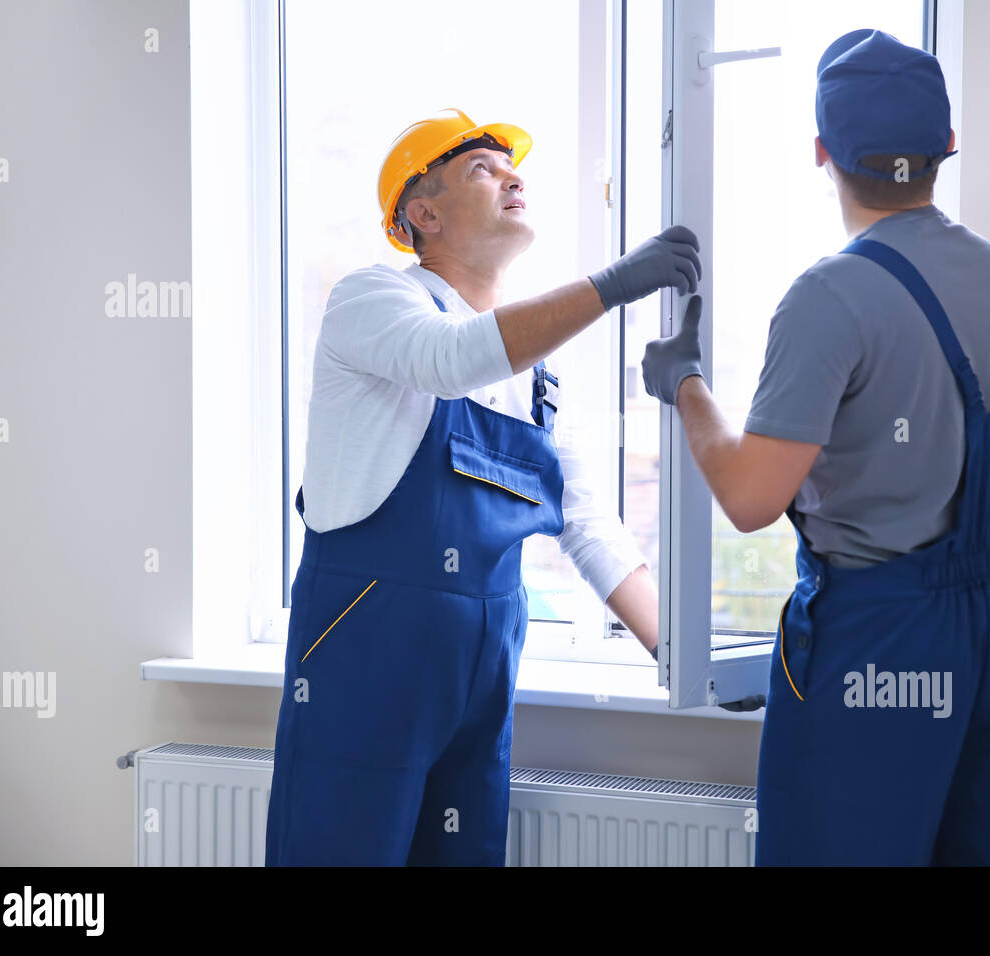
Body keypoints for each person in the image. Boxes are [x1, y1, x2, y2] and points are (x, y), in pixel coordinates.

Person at [641, 30, 990, 865]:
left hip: (878, 639)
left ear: (822, 150)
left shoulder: (832, 293)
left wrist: (685, 384)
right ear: (947, 148)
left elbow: (751, 499)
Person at [265, 108, 701, 866]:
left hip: (481, 678)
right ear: (422, 213)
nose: (511, 175)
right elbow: (451, 358)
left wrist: (683, 653)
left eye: (512, 167)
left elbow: (587, 523)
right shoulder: (372, 301)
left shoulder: (536, 380)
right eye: (481, 168)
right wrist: (613, 285)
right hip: (365, 661)